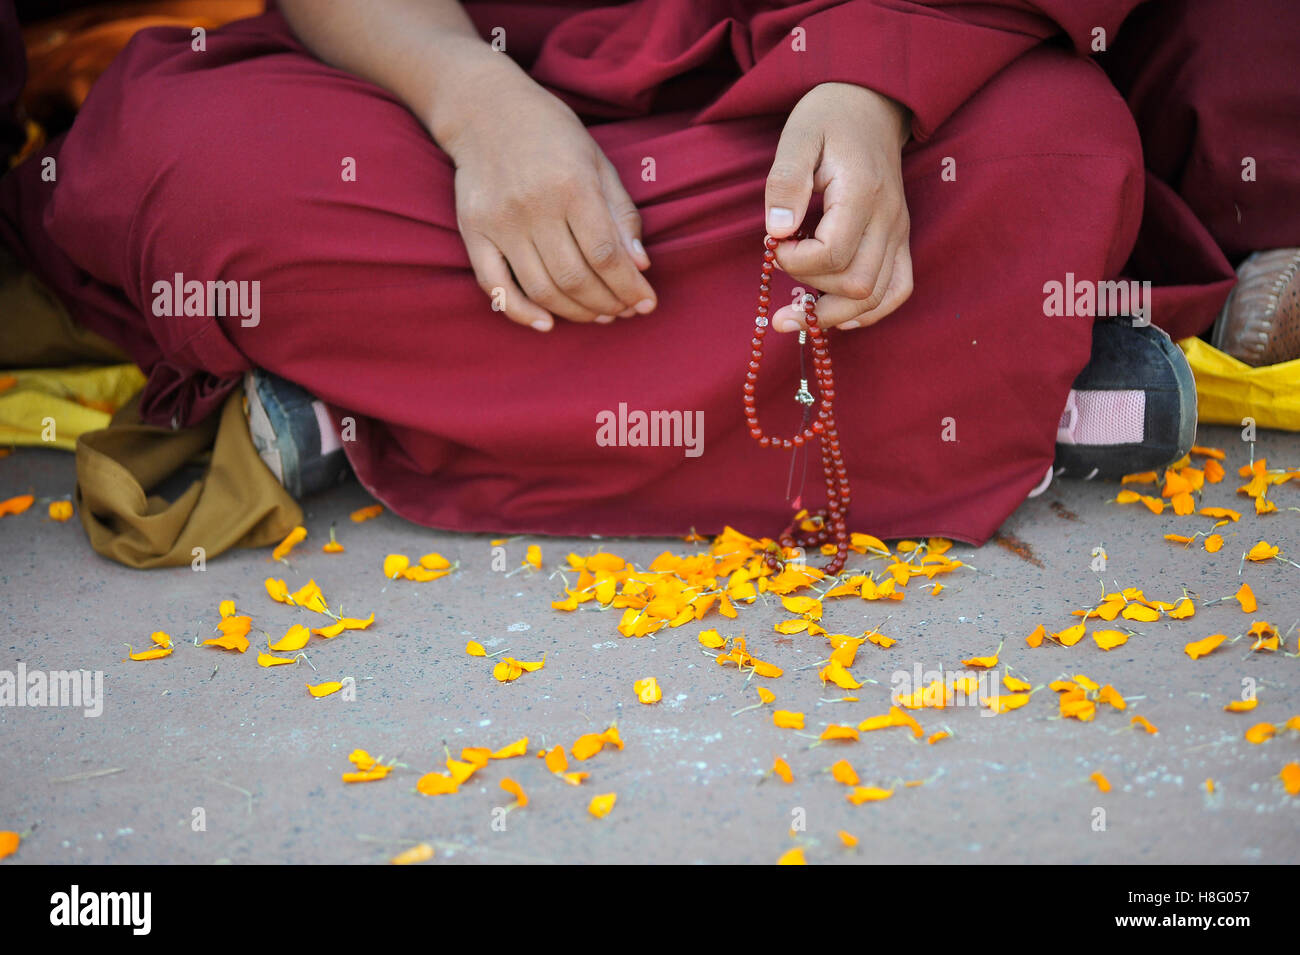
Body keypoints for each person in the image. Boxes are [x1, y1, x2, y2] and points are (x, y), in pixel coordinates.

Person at [2, 0, 1296, 549]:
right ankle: (999, 398)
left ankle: (375, 408)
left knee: (1052, 150)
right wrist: (473, 104)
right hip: (447, 108)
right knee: (180, 170)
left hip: (810, 84)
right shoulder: (464, 101)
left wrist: (873, 88)